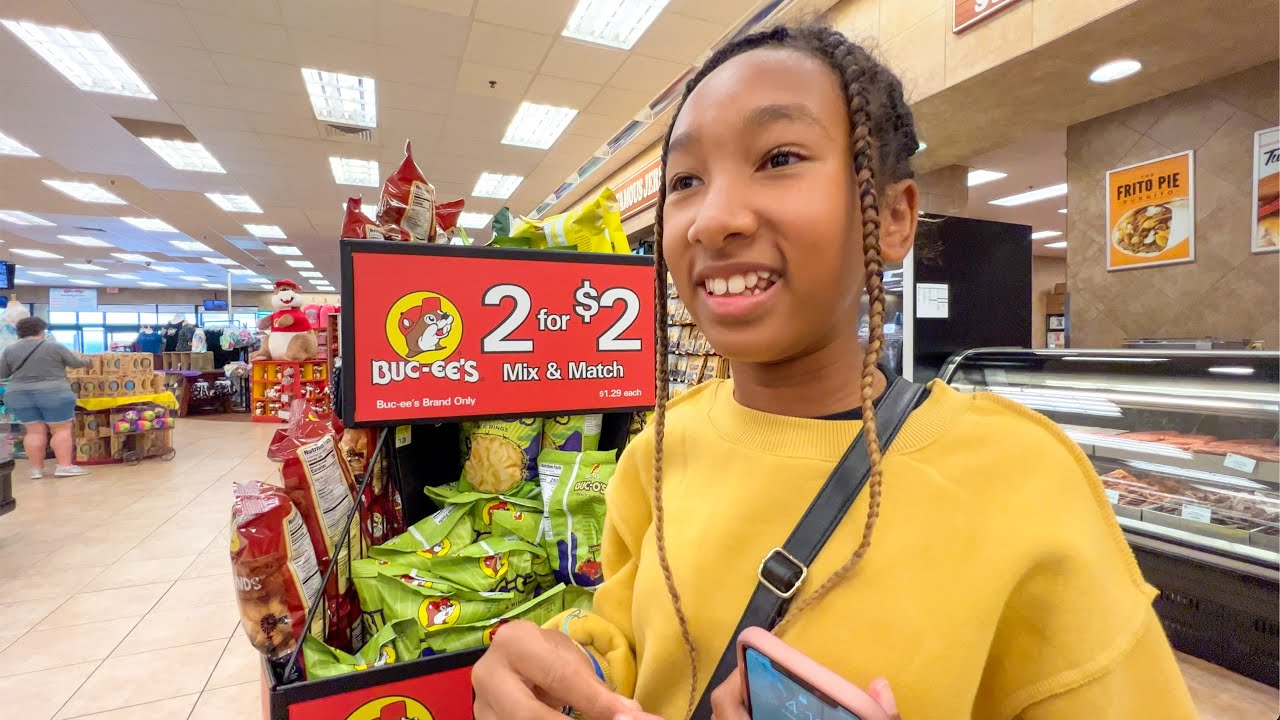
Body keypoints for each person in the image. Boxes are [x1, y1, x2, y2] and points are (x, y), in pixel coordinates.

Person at [472, 23, 1197, 720]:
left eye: (779, 158)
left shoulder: (1024, 481)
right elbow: (634, 645)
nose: (712, 218)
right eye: (687, 178)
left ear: (892, 219)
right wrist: (569, 674)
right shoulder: (657, 451)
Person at [0, 316, 92, 478]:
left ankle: (36, 469)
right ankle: (64, 466)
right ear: (41, 330)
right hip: (53, 393)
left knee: (33, 431)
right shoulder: (54, 346)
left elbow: (3, 373)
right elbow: (75, 363)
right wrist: (88, 361)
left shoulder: (9, 349)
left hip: (18, 394)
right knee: (60, 429)